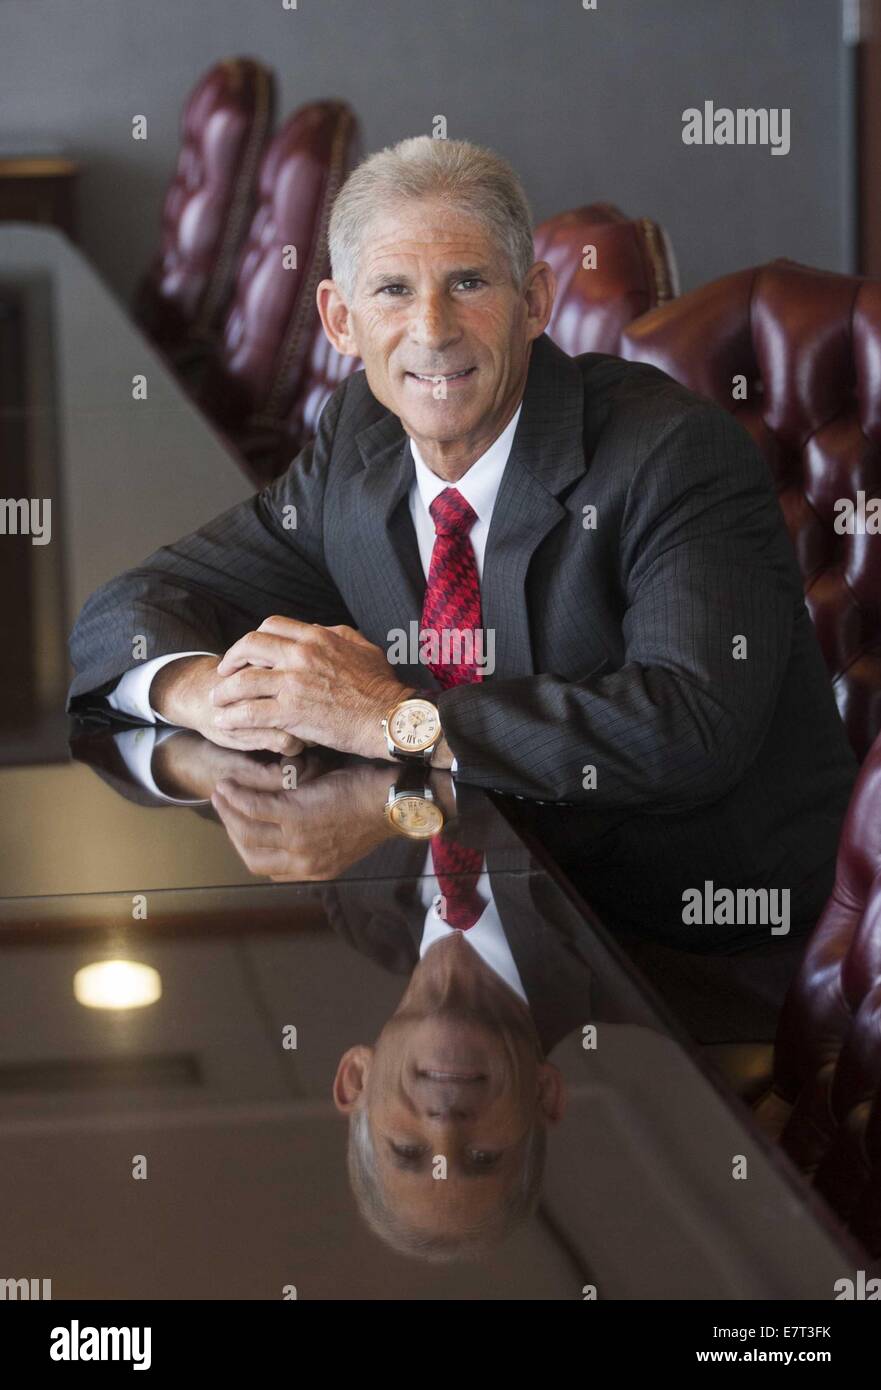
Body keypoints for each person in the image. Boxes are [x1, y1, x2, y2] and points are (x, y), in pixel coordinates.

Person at [67, 134, 857, 931]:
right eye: (392, 291)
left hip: (677, 962)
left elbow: (689, 728)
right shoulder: (361, 440)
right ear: (340, 320)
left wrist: (389, 720)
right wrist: (213, 696)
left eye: (468, 282)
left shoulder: (672, 453)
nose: (432, 328)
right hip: (483, 908)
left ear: (535, 302)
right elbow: (130, 608)